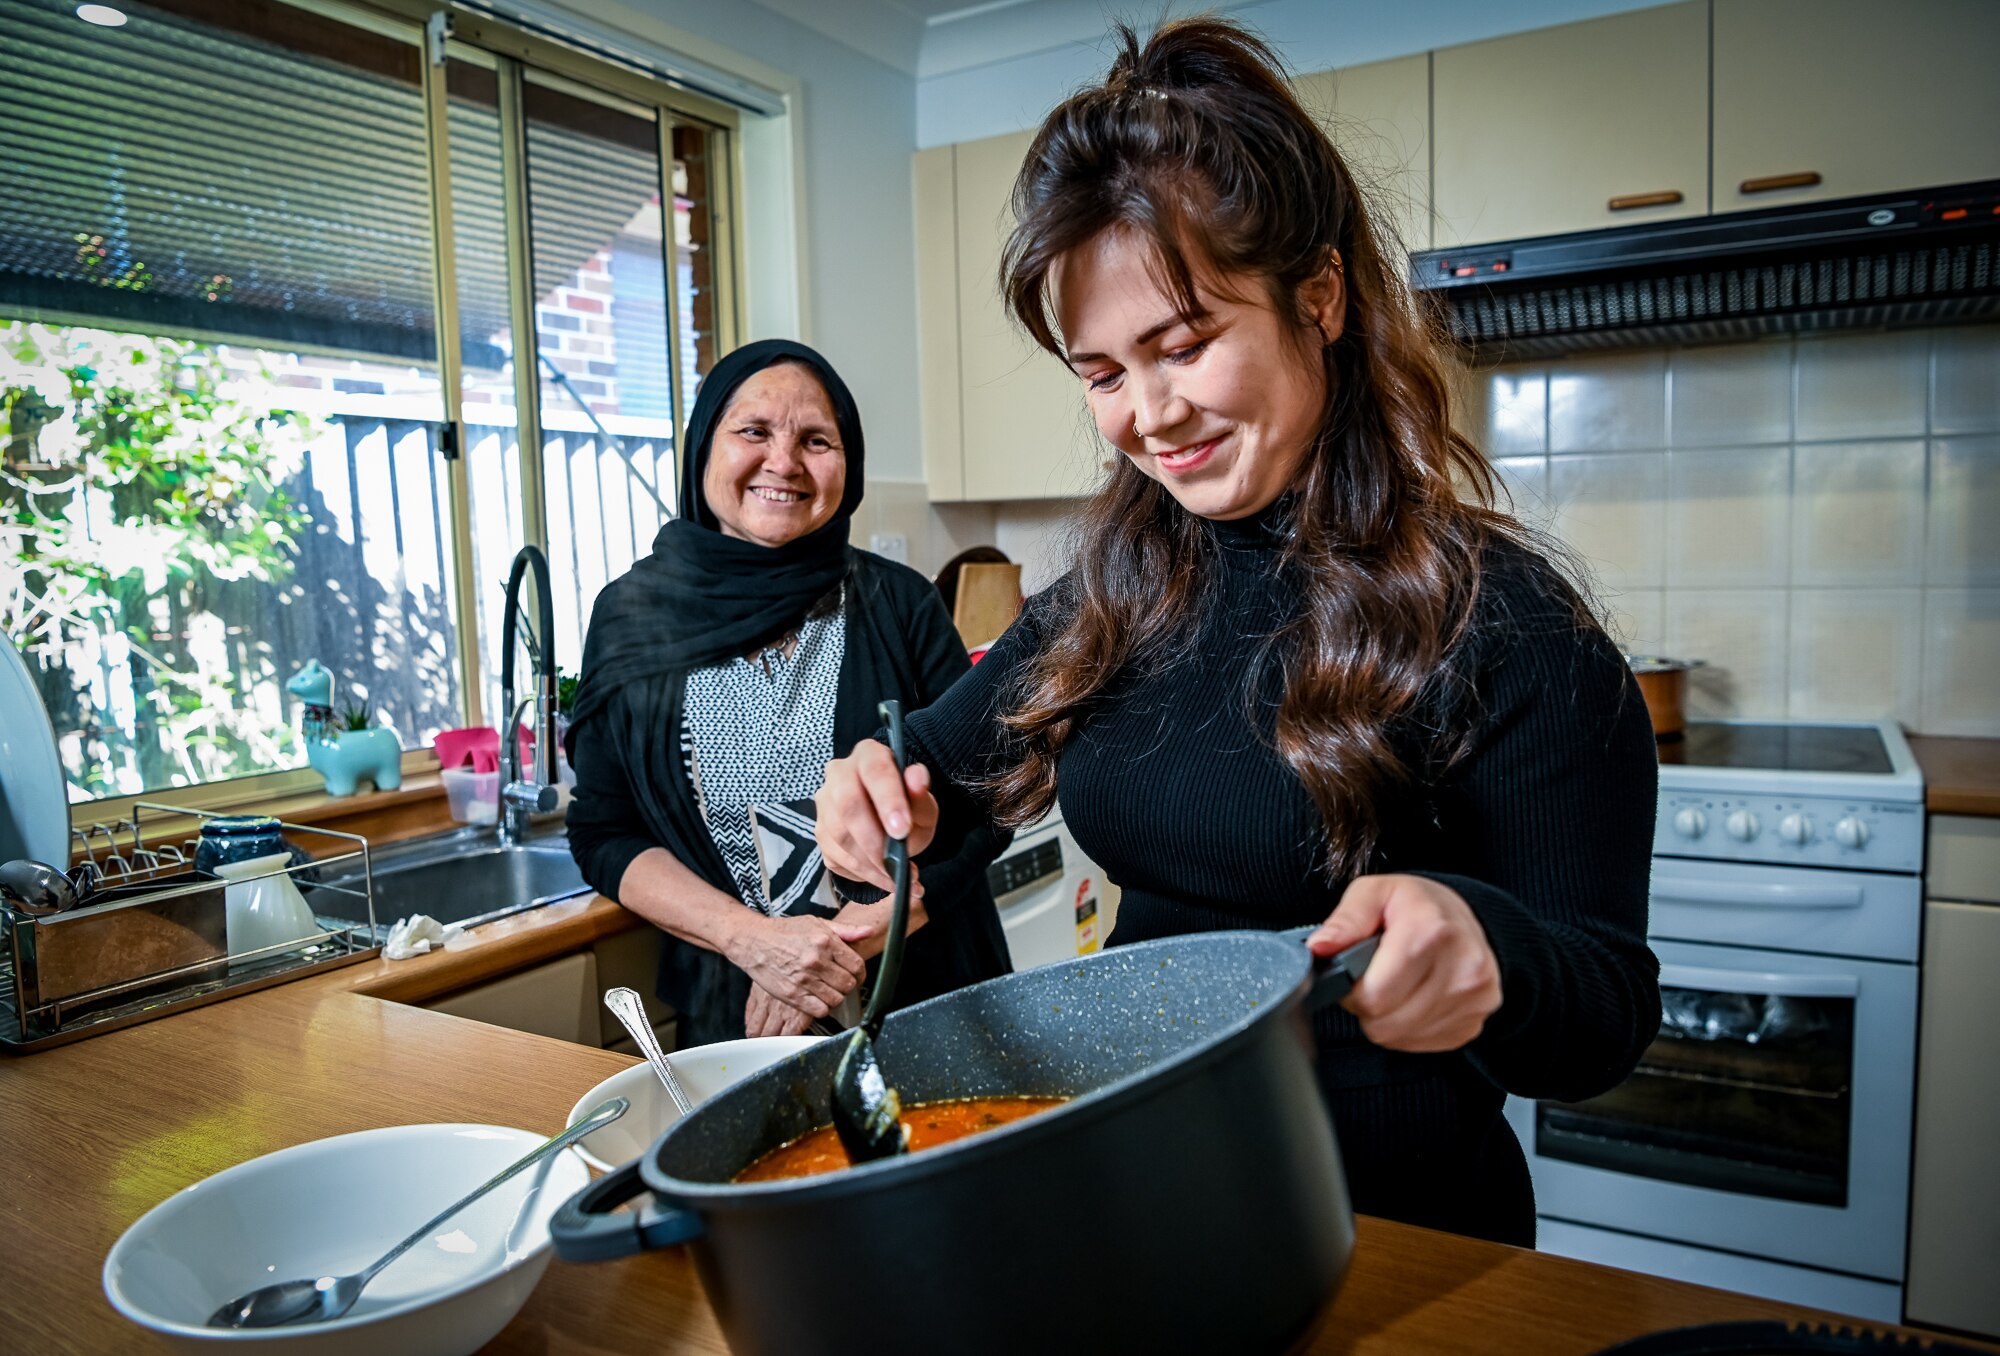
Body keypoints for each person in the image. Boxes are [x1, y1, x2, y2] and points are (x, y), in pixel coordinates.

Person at [813, 21, 1660, 1245]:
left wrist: (1495, 953)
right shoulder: (1117, 589)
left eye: (1184, 344)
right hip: (1143, 1192)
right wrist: (888, 792)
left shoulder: (1507, 623)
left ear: (1316, 298)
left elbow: (1604, 1013)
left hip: (1394, 1238)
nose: (1148, 416)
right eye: (1101, 373)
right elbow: (940, 768)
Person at [565, 339, 1011, 1049]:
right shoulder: (630, 619)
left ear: (848, 463)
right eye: (753, 431)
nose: (784, 462)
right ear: (704, 447)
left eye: (816, 440)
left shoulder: (898, 603)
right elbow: (604, 832)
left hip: (926, 995)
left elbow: (989, 795)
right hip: (739, 1011)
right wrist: (755, 944)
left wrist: (846, 946)